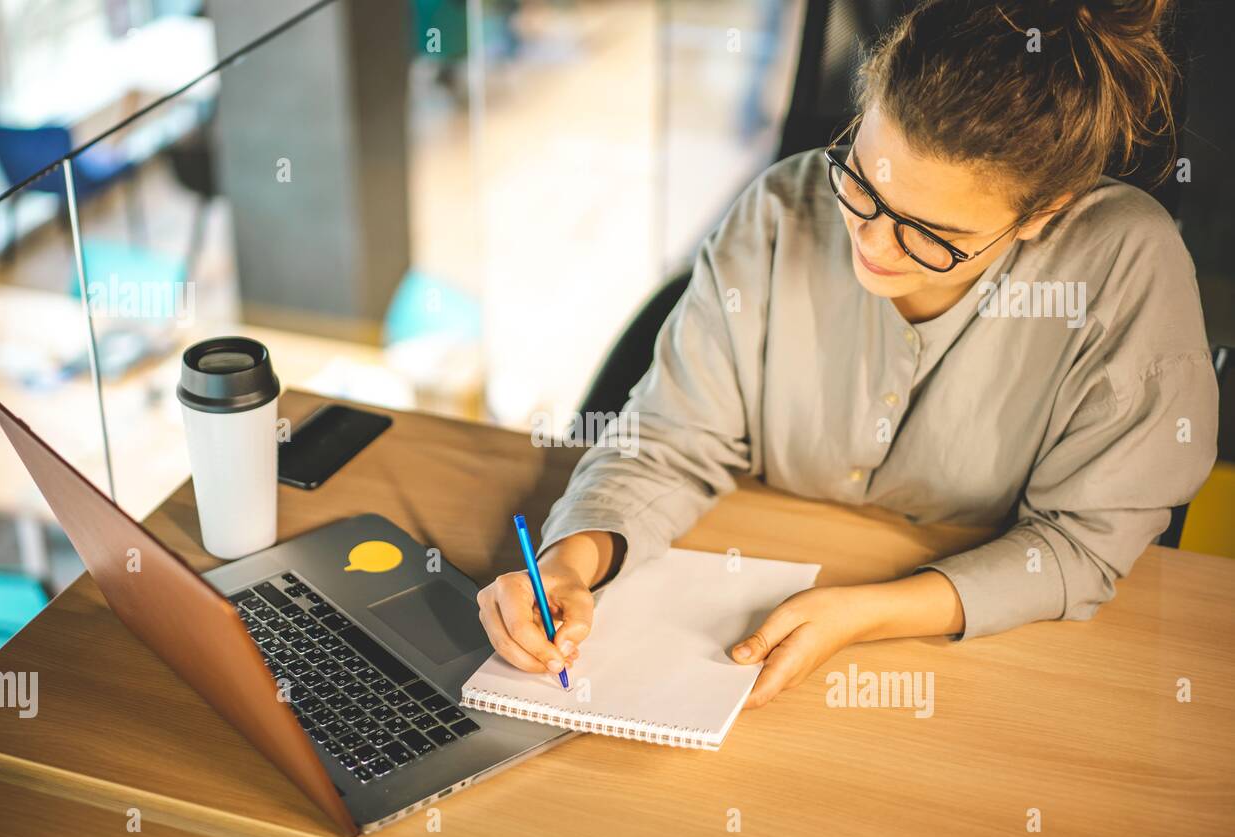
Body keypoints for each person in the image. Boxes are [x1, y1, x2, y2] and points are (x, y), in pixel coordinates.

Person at [476, 0, 1218, 708]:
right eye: (861, 181)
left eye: (929, 235)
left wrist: (865, 614)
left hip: (990, 671)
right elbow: (669, 442)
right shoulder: (779, 213)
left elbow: (1080, 547)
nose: (869, 240)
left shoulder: (1125, 266)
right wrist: (570, 564)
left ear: (1041, 213)